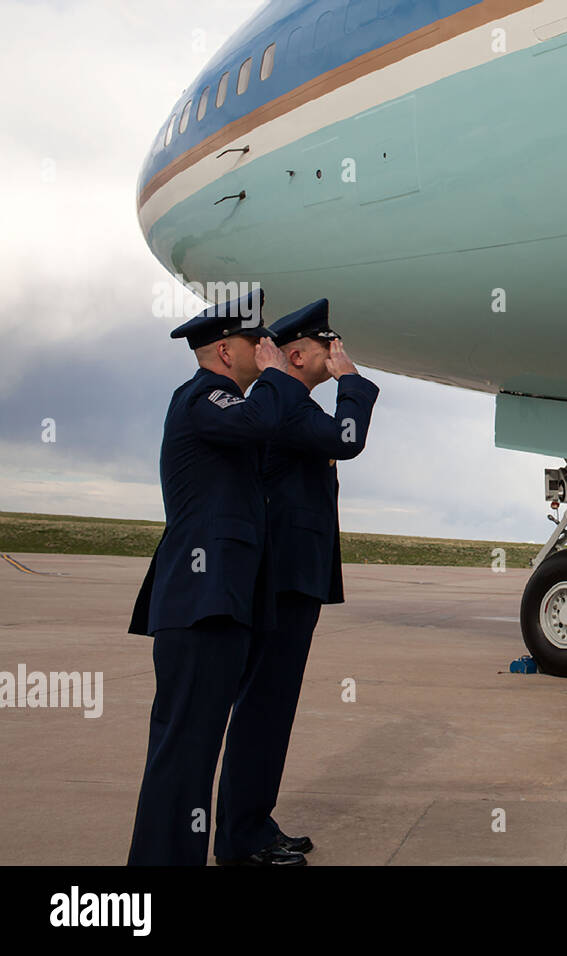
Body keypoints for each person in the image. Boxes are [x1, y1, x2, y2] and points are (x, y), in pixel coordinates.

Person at [126, 289, 309, 866]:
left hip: (219, 605)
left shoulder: (223, 404)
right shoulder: (205, 396)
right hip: (199, 605)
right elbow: (257, 421)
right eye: (259, 343)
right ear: (228, 352)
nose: (267, 350)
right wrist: (283, 376)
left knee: (195, 753)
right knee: (184, 756)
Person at [213, 299, 381, 866]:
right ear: (299, 353)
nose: (336, 357)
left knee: (270, 706)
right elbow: (348, 438)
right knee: (264, 705)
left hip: (288, 577)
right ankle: (242, 837)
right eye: (329, 349)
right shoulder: (285, 404)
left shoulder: (287, 404)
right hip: (280, 579)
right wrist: (352, 382)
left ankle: (253, 823)